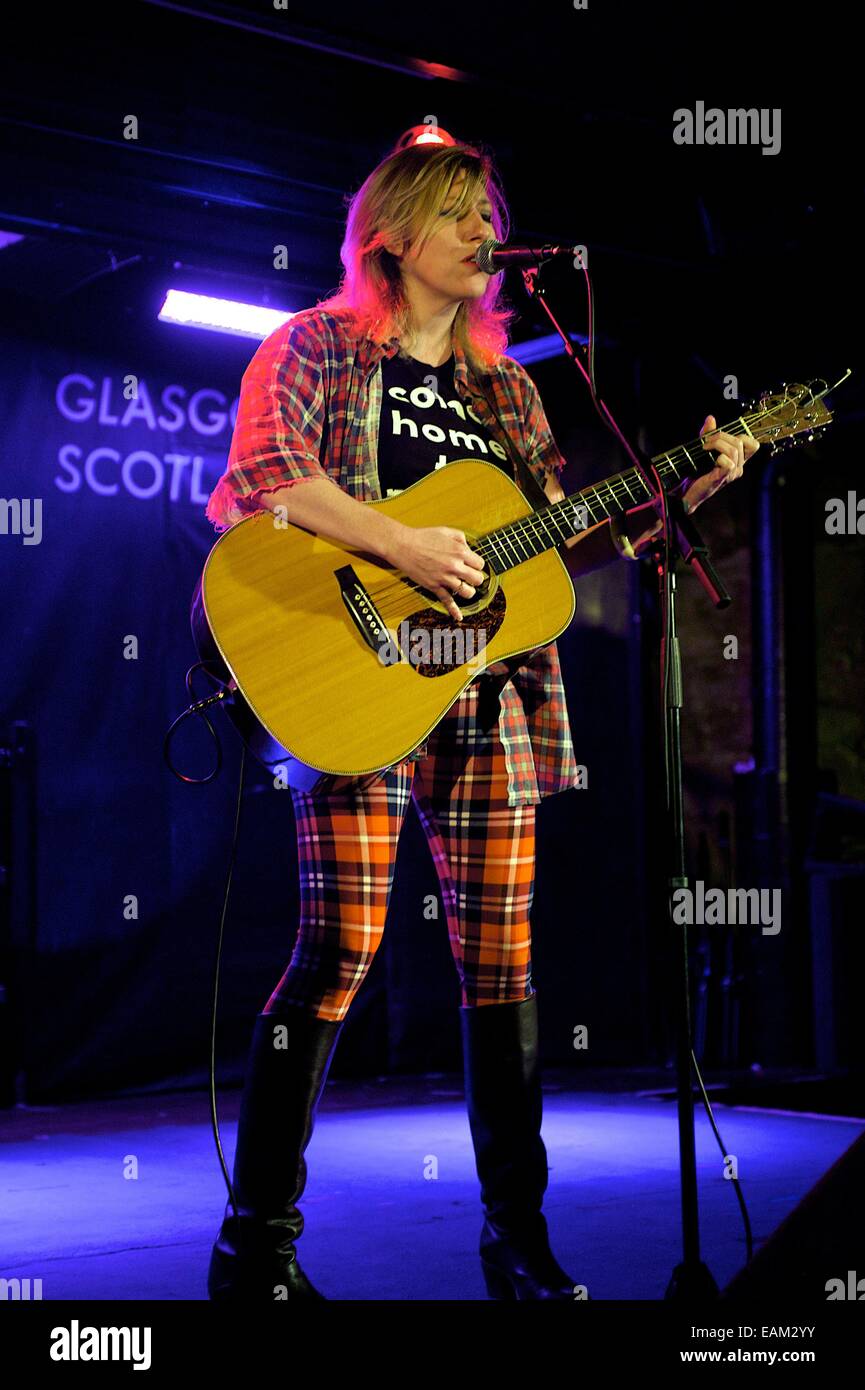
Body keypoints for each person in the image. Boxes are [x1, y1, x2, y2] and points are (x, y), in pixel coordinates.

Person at [203, 138, 759, 1301]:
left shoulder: (505, 390)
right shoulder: (314, 346)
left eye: (489, 213)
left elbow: (558, 546)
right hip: (360, 678)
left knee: (500, 967)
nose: (482, 232)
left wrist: (674, 494)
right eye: (458, 212)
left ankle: (515, 1238)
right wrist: (401, 542)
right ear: (393, 234)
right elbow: (266, 478)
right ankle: (256, 1246)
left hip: (488, 700)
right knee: (339, 950)